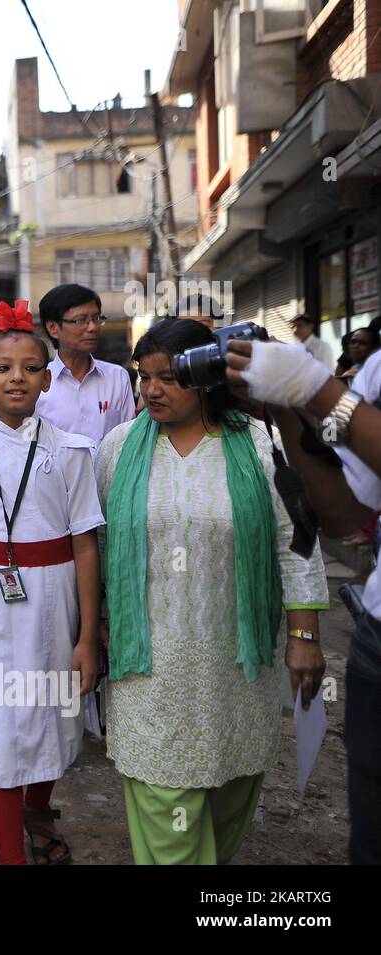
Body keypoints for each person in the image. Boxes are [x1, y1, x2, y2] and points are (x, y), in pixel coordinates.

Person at [94, 319, 328, 865]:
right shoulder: (119, 448)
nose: (150, 390)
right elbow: (97, 541)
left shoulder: (260, 444)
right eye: (142, 376)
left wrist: (303, 634)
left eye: (167, 378)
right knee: (168, 812)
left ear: (206, 379)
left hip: (236, 666)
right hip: (148, 664)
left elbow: (297, 538)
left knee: (229, 795)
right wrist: (94, 622)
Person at [0, 302, 103, 865]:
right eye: (2, 367)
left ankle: (37, 811)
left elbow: (85, 543)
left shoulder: (72, 452)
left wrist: (87, 636)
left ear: (47, 377)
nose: (16, 378)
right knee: (2, 726)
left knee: (54, 717)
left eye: (30, 368)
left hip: (57, 601)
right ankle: (11, 854)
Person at [220, 338, 381, 864]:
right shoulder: (378, 370)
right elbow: (343, 514)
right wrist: (289, 410)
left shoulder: (342, 387)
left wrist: (319, 389)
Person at [35, 284, 135, 444]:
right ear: (53, 328)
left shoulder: (117, 377)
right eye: (81, 320)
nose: (92, 327)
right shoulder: (37, 384)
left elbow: (129, 440)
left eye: (96, 318)